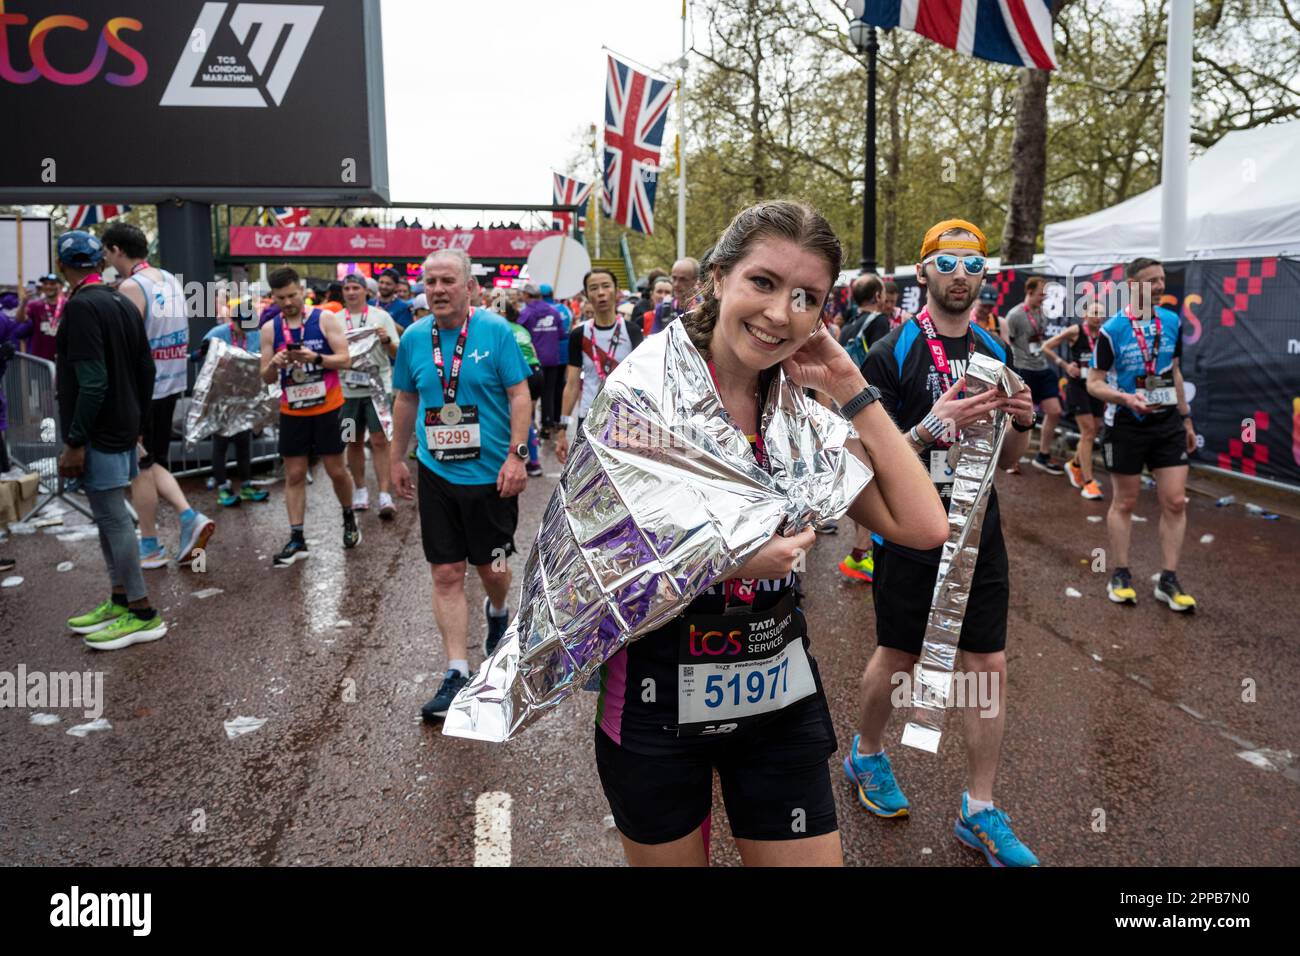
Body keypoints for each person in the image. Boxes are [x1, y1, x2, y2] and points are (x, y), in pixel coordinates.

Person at [589, 201, 947, 866]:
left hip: (775, 689)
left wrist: (848, 385)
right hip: (654, 693)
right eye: (764, 282)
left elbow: (924, 527)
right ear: (718, 279)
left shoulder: (800, 414)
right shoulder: (639, 395)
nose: (782, 312)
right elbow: (592, 559)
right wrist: (730, 563)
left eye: (807, 297)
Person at [846, 218, 1041, 867]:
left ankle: (979, 808)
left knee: (987, 664)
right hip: (910, 526)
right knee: (899, 654)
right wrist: (931, 428)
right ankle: (867, 754)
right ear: (923, 271)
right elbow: (864, 461)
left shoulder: (995, 348)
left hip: (979, 528)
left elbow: (1012, 459)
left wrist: (1025, 422)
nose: (962, 275)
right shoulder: (891, 352)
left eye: (974, 264)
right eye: (948, 262)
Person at [388, 249, 533, 721]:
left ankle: (497, 609)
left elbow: (519, 396)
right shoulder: (413, 338)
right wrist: (396, 458)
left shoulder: (496, 332)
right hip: (437, 474)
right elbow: (406, 399)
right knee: (446, 573)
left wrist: (517, 456)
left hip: (492, 476)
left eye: (447, 281)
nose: (437, 290)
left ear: (469, 286)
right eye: (430, 282)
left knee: (491, 569)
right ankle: (455, 672)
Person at [54, 231, 167, 650]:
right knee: (110, 515)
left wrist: (75, 441)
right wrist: (137, 419)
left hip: (99, 429)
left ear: (64, 265)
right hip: (122, 423)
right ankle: (121, 599)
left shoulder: (83, 306)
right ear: (97, 260)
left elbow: (93, 382)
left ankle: (141, 611)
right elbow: (146, 369)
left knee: (113, 517)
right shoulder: (121, 298)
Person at [102, 222, 216, 570]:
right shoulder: (168, 278)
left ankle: (154, 540)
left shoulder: (131, 288)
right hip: (170, 384)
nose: (105, 258)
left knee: (141, 467)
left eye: (106, 252)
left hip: (142, 391)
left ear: (117, 251)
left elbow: (124, 346)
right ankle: (181, 522)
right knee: (151, 461)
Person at [1087, 257, 1198, 611]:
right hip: (1125, 423)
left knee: (1176, 501)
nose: (1161, 286)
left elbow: (1175, 372)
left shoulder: (1172, 320)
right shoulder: (1113, 329)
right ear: (1133, 286)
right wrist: (1124, 398)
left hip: (1166, 423)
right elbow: (1094, 383)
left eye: (1162, 279)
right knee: (1126, 502)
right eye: (1152, 281)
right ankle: (1119, 572)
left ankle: (1168, 579)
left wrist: (1186, 419)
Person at [258, 266, 361, 566]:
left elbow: (346, 359)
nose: (288, 302)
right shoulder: (270, 329)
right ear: (273, 297)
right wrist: (274, 363)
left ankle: (348, 516)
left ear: (301, 290)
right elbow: (264, 377)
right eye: (281, 298)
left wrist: (316, 358)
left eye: (292, 295)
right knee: (294, 473)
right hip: (293, 410)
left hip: (328, 408)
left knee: (336, 471)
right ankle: (296, 536)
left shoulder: (324, 319)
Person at [554, 269, 644, 462]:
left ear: (617, 291)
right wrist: (562, 429)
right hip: (589, 416)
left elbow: (643, 380)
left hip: (625, 418)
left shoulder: (632, 331)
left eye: (606, 286)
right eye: (594, 288)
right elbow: (571, 384)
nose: (601, 293)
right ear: (587, 295)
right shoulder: (579, 335)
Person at [337, 273, 400, 519]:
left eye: (355, 288)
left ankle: (385, 494)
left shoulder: (380, 316)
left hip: (378, 388)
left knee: (380, 440)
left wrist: (386, 341)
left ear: (366, 291)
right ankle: (361, 489)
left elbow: (397, 349)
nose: (351, 292)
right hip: (346, 391)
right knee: (351, 440)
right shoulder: (334, 319)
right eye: (347, 288)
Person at [200, 292, 270, 507]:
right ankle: (222, 487)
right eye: (244, 326)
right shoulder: (218, 333)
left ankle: (246, 484)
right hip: (222, 397)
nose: (249, 330)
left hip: (245, 397)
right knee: (220, 443)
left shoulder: (255, 333)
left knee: (243, 442)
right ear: (234, 321)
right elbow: (202, 356)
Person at [1041, 297, 1106, 500]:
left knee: (1095, 428)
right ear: (1085, 315)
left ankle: (1076, 464)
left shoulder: (1104, 335)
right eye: (1094, 313)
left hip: (1095, 386)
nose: (1098, 317)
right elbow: (1046, 346)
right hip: (1077, 387)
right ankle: (1088, 482)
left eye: (1101, 313)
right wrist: (1065, 364)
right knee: (1087, 431)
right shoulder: (1076, 331)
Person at [1004, 276, 1065, 475]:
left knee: (1054, 411)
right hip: (1023, 368)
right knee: (1019, 415)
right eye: (1041, 294)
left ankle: (1043, 455)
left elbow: (1039, 340)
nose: (1044, 297)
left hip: (1042, 367)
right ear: (1029, 292)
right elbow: (1008, 342)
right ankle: (1011, 457)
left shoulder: (1042, 313)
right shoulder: (1015, 315)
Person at [501, 293, 545, 477]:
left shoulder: (499, 328)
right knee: (528, 418)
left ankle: (524, 460)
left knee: (520, 418)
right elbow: (532, 350)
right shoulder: (521, 328)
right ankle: (534, 461)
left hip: (521, 373)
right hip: (536, 372)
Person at [518, 283, 565, 435]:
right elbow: (561, 334)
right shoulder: (554, 312)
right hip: (552, 359)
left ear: (527, 295)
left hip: (534, 361)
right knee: (548, 393)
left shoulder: (527, 313)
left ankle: (530, 427)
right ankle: (547, 425)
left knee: (529, 395)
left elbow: (517, 332)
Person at [18, 272, 65, 361]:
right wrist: (24, 302)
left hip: (63, 358)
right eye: (45, 284)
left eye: (52, 284)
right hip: (41, 360)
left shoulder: (68, 305)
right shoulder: (35, 305)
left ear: (60, 286)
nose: (48, 286)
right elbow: (20, 319)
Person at [649, 257, 700, 334]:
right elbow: (654, 340)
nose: (676, 284)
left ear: (695, 280)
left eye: (683, 279)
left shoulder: (703, 309)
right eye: (674, 278)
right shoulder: (662, 308)